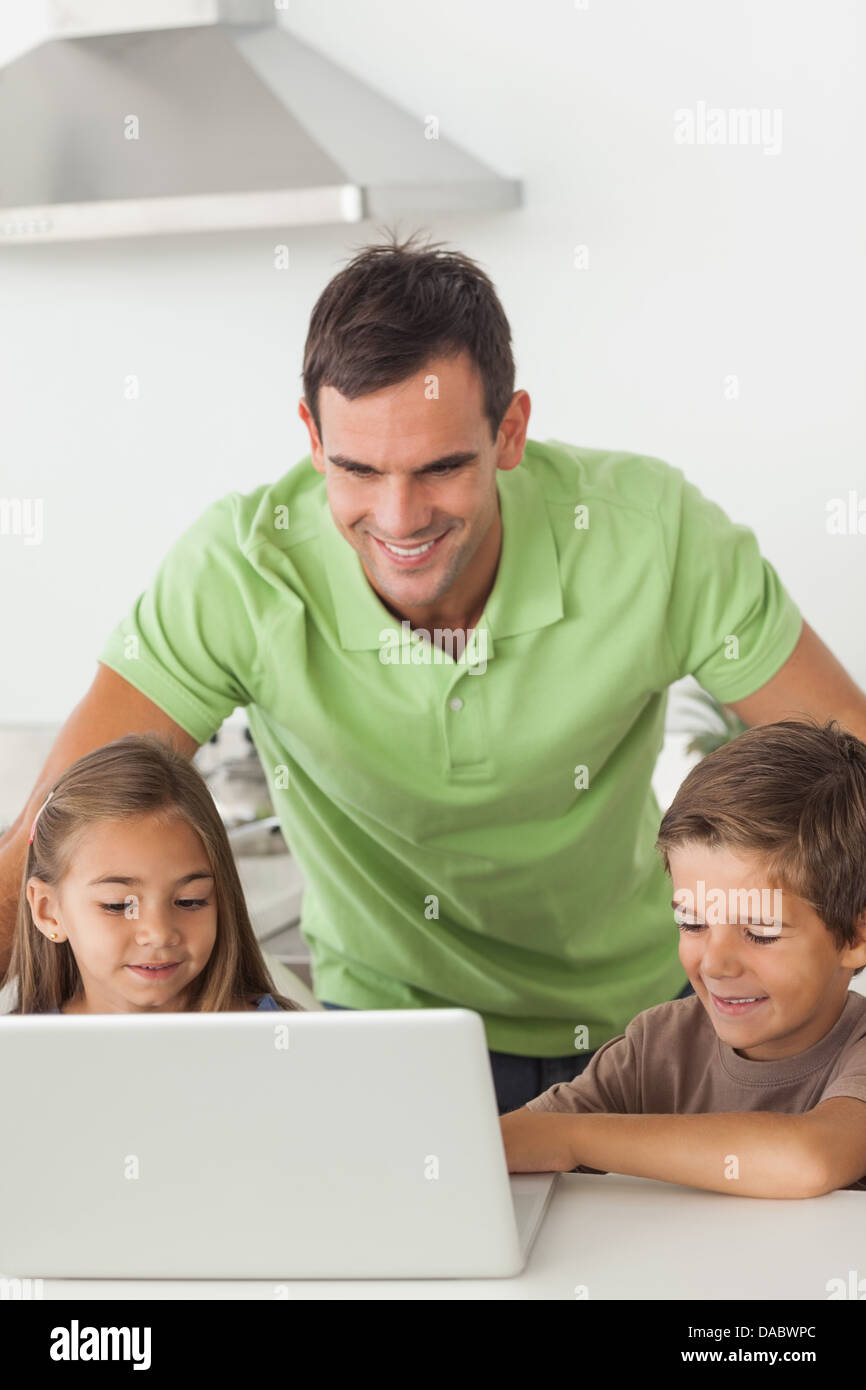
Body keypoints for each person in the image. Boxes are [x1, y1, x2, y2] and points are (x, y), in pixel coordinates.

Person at [2, 230, 865, 1108]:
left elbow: (852, 760)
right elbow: (48, 835)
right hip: (392, 1030)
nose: (399, 517)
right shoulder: (239, 571)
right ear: (311, 437)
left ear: (510, 431)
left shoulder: (654, 534)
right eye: (358, 469)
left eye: (442, 467)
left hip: (648, 1020)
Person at [500, 718, 866, 1197]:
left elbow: (809, 1160)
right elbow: (504, 1145)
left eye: (759, 931)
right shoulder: (654, 1046)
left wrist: (570, 1137)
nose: (715, 964)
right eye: (692, 923)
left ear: (855, 936)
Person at [8, 733, 301, 1015]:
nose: (159, 934)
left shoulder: (279, 1042)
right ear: (48, 911)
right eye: (118, 905)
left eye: (190, 901)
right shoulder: (16, 1055)